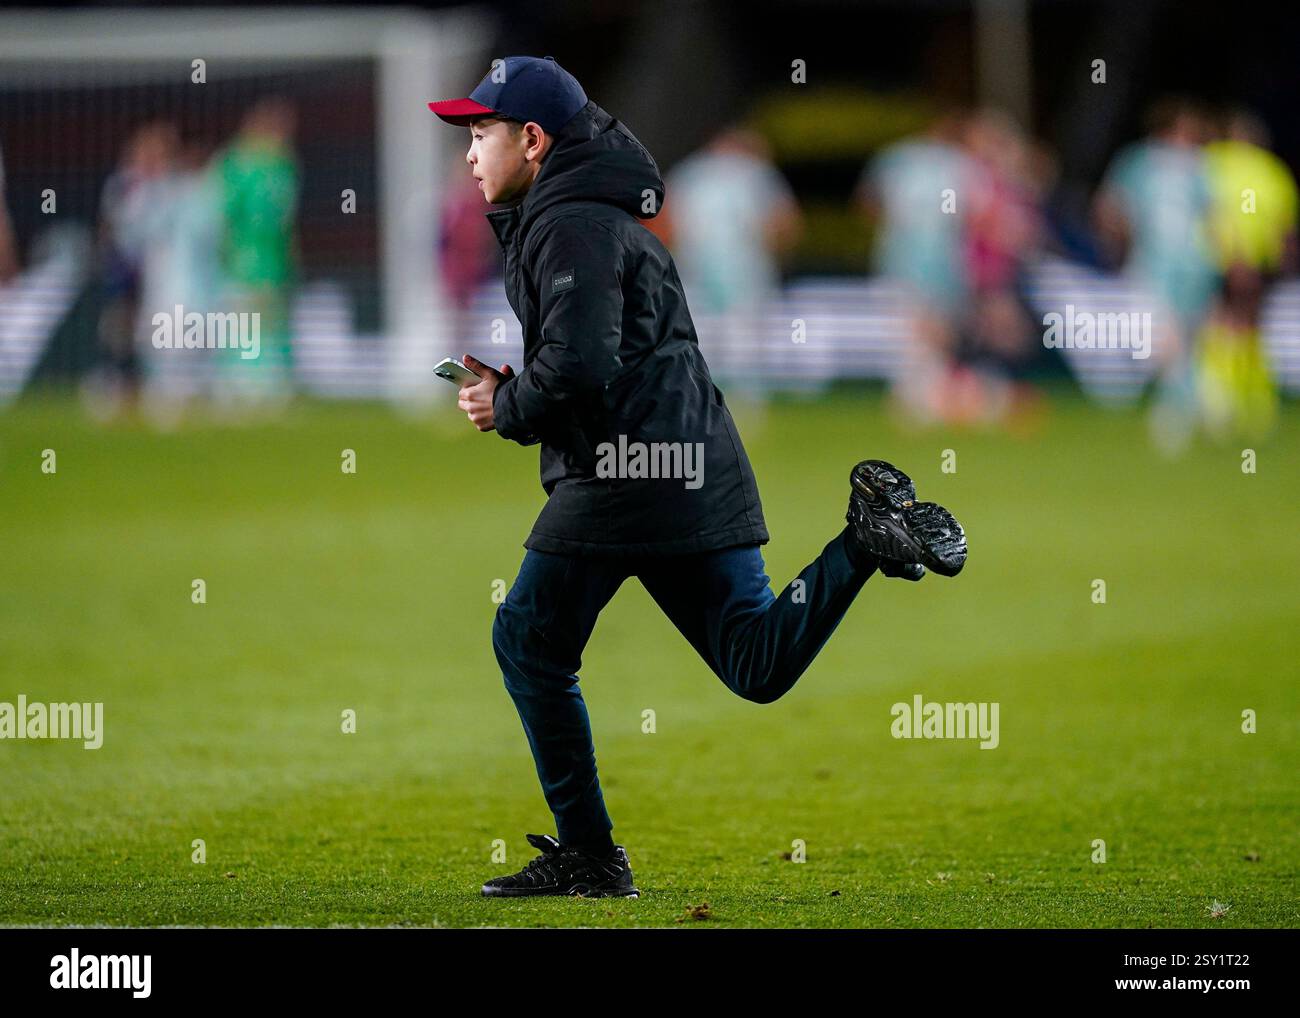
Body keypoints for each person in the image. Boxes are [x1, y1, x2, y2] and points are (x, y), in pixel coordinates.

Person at [428, 56, 968, 899]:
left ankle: (593, 858)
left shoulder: (567, 222)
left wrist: (510, 402)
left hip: (625, 471)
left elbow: (579, 363)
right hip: (691, 461)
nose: (467, 153)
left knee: (528, 641)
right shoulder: (580, 214)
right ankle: (862, 541)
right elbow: (597, 356)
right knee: (754, 661)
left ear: (532, 141)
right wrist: (522, 391)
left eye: (480, 133)